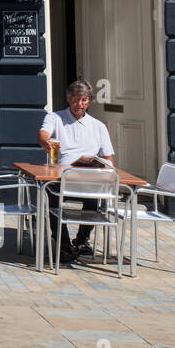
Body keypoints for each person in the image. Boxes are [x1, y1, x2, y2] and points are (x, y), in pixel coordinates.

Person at [39, 80, 116, 264]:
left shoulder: (98, 126)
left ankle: (82, 241)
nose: (79, 105)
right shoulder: (56, 118)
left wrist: (102, 164)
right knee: (51, 195)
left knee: (93, 196)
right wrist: (46, 142)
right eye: (75, 100)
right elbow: (43, 134)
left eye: (83, 100)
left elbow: (110, 159)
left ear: (89, 101)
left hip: (88, 178)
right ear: (68, 99)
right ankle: (63, 244)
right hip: (63, 176)